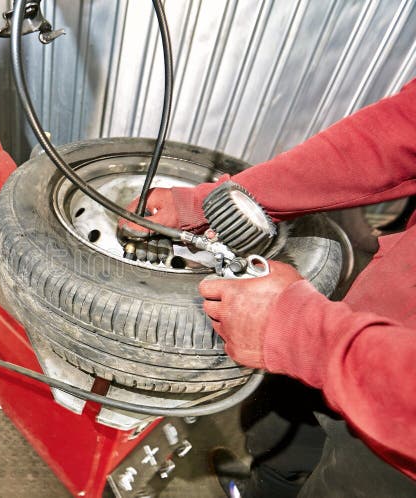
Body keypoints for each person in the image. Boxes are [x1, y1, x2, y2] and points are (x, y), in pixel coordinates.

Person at [120, 78, 416, 497]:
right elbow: (396, 134)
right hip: (366, 316)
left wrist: (302, 333)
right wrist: (214, 204)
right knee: (278, 436)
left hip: (401, 444)